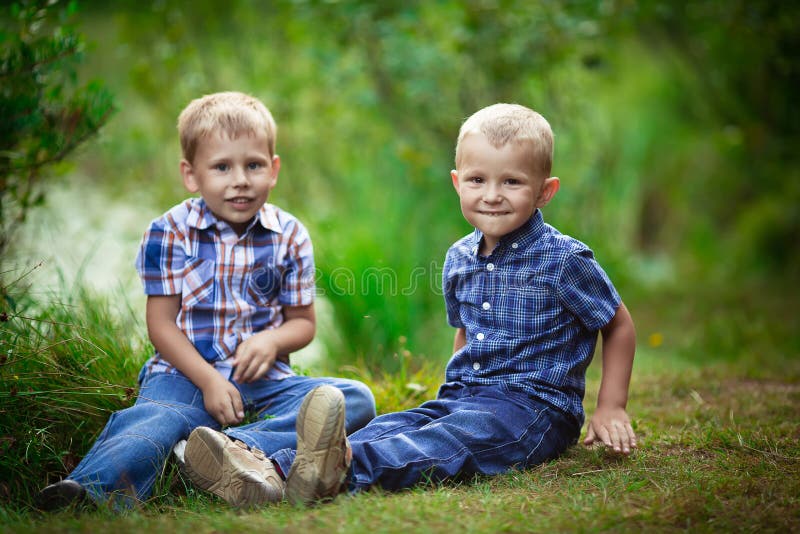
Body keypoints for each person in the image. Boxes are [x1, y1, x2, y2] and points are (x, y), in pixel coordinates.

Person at [182, 102, 637, 505]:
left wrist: (610, 406)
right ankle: (269, 469)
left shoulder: (564, 260)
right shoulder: (461, 257)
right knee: (397, 424)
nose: (492, 195)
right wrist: (452, 389)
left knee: (449, 440)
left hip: (532, 410)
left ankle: (338, 469)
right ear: (458, 182)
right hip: (464, 395)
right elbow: (466, 335)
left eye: (512, 182)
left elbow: (617, 325)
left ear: (544, 191)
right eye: (478, 180)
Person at [37, 91, 376, 510]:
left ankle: (234, 452)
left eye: (253, 165)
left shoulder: (289, 234)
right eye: (221, 167)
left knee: (355, 398)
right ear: (191, 175)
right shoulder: (170, 232)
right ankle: (90, 493)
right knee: (153, 421)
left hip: (264, 383)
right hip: (182, 376)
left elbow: (303, 323)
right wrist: (209, 380)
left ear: (273, 170)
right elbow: (161, 324)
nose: (240, 179)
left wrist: (272, 342)